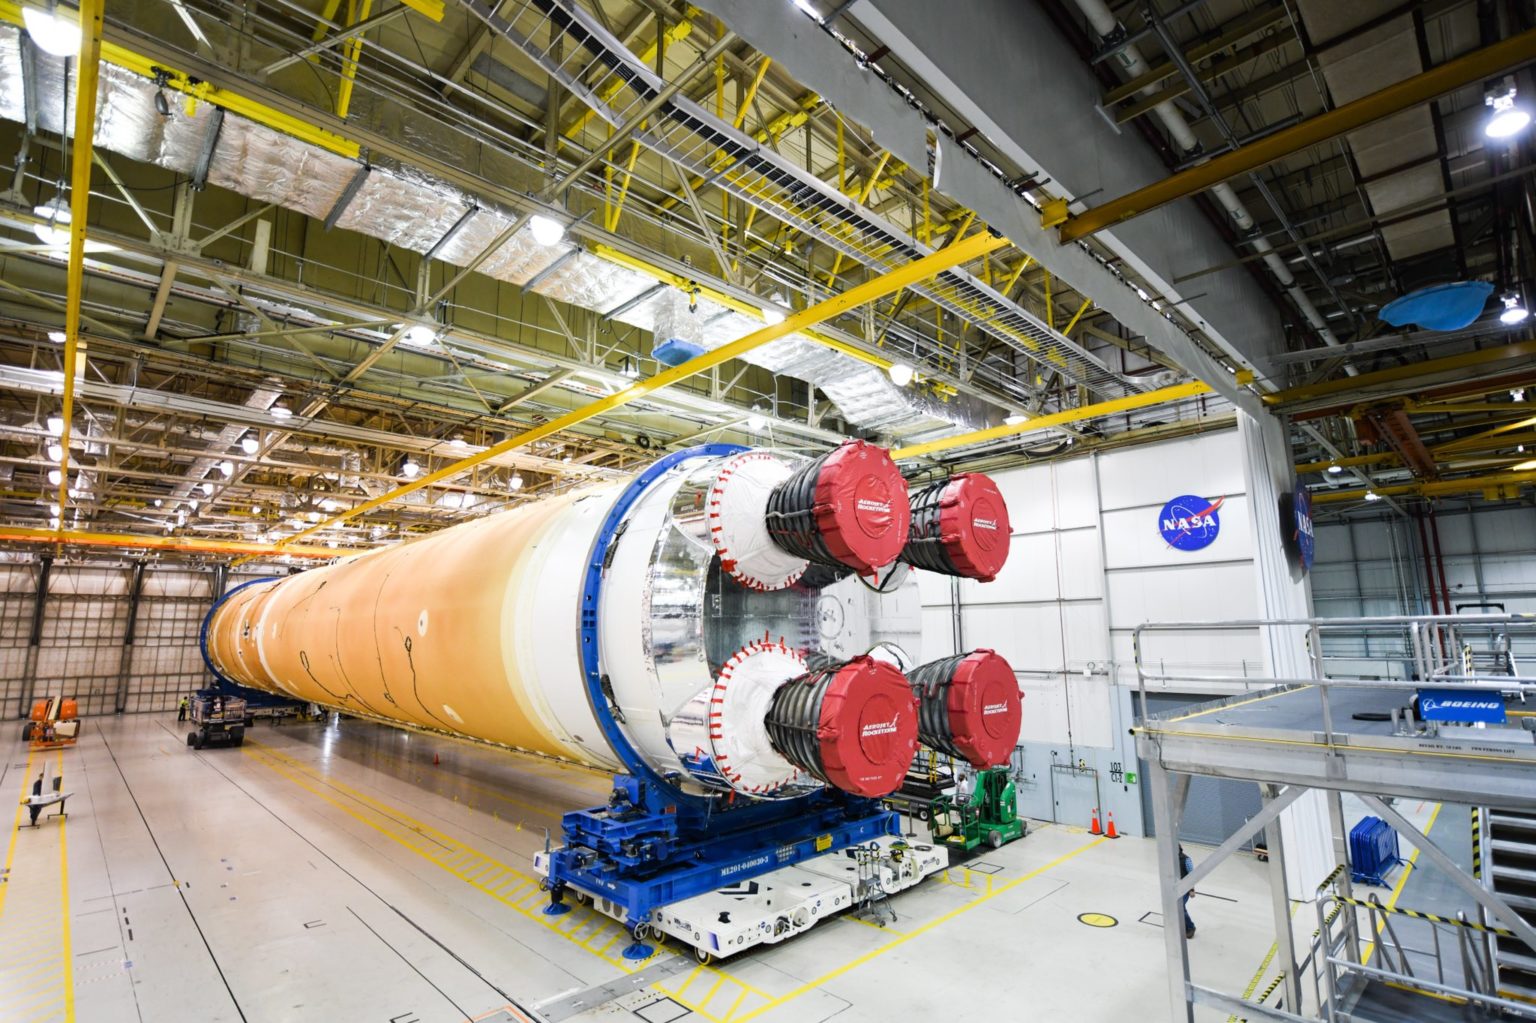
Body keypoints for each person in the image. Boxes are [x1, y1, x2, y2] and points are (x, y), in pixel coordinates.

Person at [1179, 844, 1196, 939]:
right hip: (1176, 888)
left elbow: (1191, 875)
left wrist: (1192, 890)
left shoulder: (1186, 860)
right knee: (1178, 908)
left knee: (1180, 907)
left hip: (1185, 888)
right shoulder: (1170, 859)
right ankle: (1183, 926)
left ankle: (1191, 927)